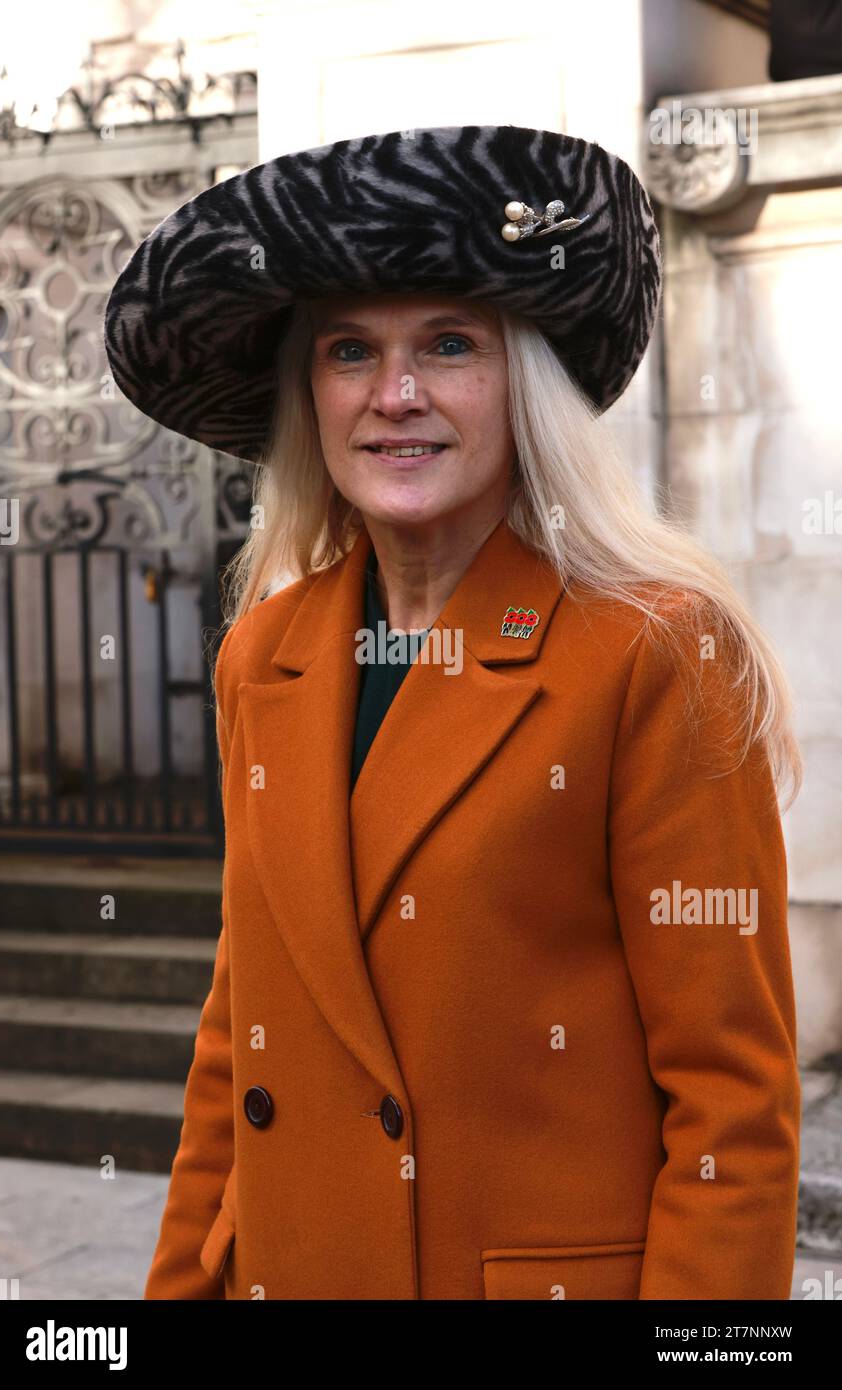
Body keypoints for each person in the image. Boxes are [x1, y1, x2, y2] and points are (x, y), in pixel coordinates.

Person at [104, 124, 802, 1301]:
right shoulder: (263, 655)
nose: (396, 396)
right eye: (349, 351)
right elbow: (238, 1039)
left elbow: (732, 1107)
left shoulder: (653, 651)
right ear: (307, 392)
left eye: (447, 344)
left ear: (523, 381)